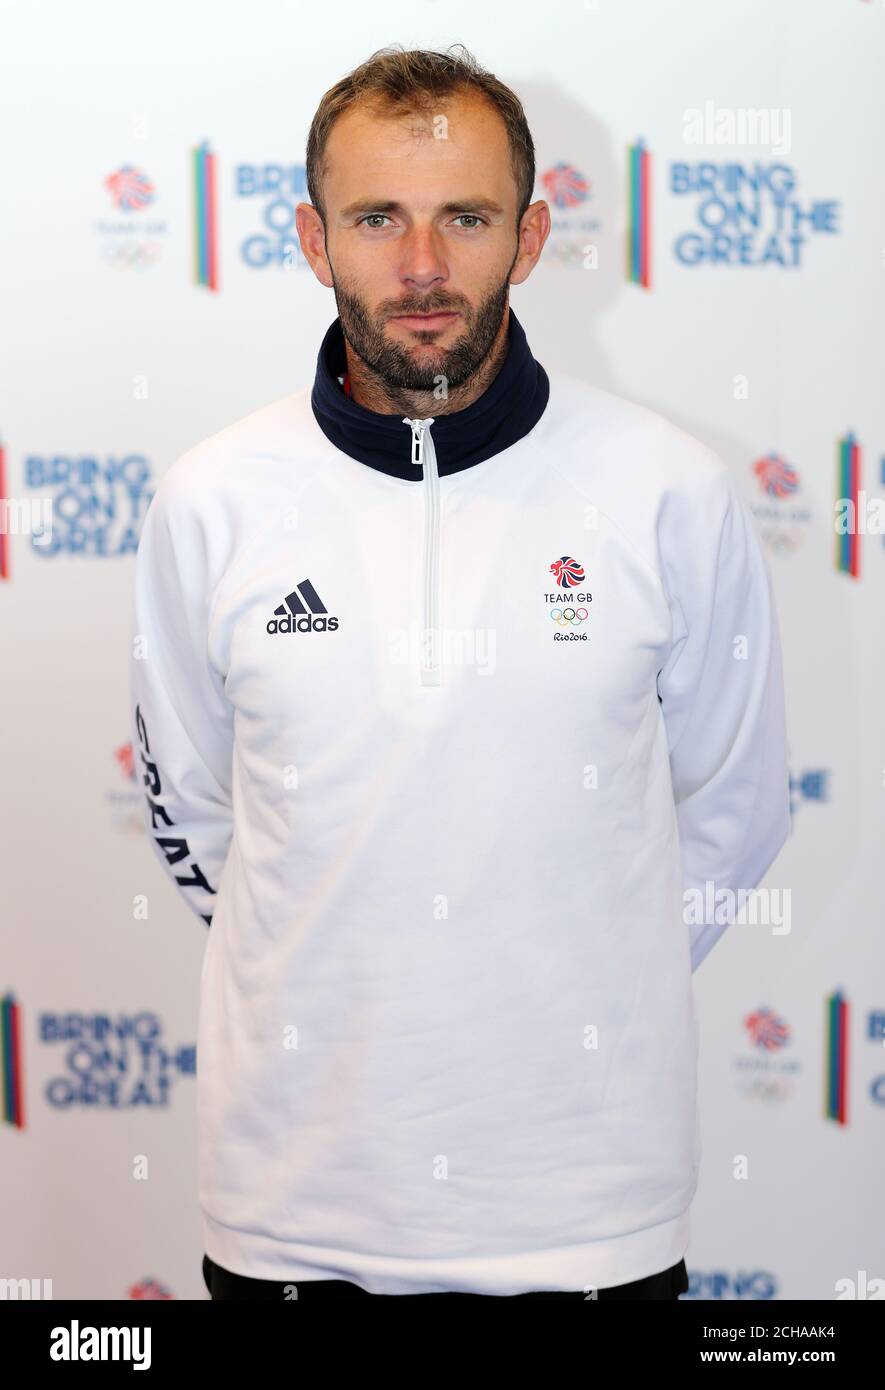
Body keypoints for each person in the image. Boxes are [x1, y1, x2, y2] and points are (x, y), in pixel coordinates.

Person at [130, 44, 791, 1301]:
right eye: (377, 219)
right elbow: (197, 815)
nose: (422, 268)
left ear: (530, 236)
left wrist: (580, 967)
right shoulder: (212, 502)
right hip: (291, 1219)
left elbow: (738, 810)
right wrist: (339, 950)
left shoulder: (668, 491)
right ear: (315, 243)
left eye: (466, 218)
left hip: (592, 1218)